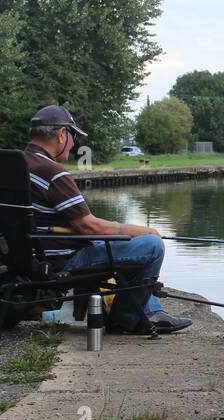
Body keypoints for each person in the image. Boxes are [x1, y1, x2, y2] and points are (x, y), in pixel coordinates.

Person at [23, 105, 191, 335]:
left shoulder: (16, 164)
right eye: (73, 136)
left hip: (32, 254)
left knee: (115, 241)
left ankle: (152, 310)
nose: (73, 144)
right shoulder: (51, 172)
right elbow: (88, 225)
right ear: (62, 134)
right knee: (152, 246)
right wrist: (140, 230)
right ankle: (125, 320)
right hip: (62, 261)